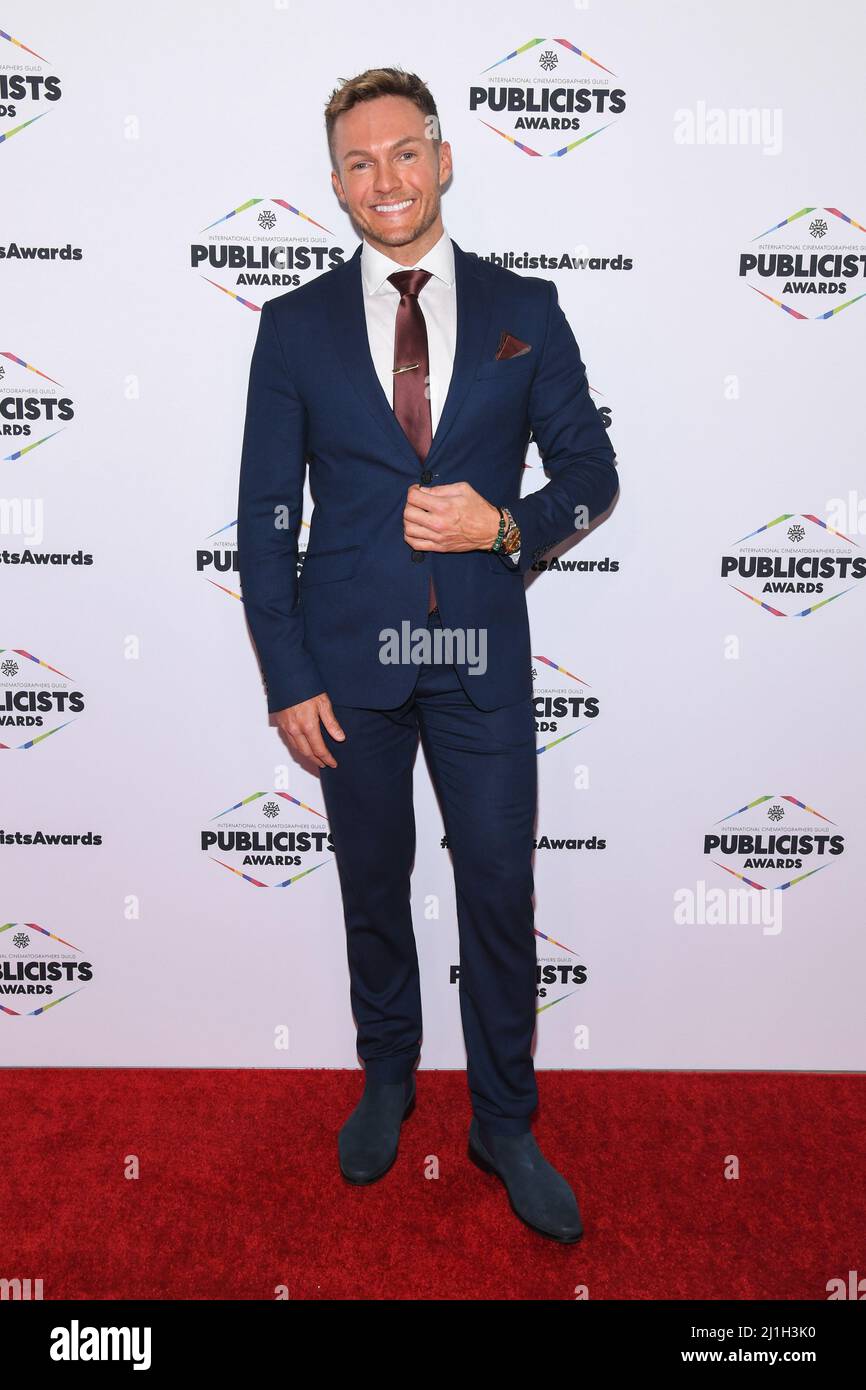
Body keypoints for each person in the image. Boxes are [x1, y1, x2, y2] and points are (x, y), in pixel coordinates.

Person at [237, 67, 619, 1242]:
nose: (383, 178)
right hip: (348, 663)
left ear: (443, 159)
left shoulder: (526, 307)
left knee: (500, 890)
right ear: (336, 186)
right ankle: (389, 1074)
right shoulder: (292, 325)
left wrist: (504, 526)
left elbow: (593, 478)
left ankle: (503, 1117)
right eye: (357, 162)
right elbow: (264, 515)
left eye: (403, 153)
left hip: (477, 653)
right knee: (370, 886)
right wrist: (286, 673)